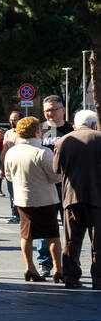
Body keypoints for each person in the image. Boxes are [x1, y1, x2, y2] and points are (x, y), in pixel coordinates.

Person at [3, 117, 64, 282]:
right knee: (52, 235)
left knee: (26, 235)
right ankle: (58, 269)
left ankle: (30, 267)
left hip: (22, 200)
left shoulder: (11, 152)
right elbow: (55, 178)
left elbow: (8, 175)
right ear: (36, 131)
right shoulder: (43, 152)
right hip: (45, 199)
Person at [53, 109, 101, 289]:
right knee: (98, 242)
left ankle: (71, 277)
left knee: (72, 241)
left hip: (71, 197)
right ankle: (98, 279)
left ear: (75, 125)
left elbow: (56, 169)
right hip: (97, 197)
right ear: (93, 124)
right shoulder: (99, 138)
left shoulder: (63, 141)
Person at [35, 95, 72, 275]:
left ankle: (69, 262)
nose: (50, 113)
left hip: (67, 186)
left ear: (63, 110)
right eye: (46, 110)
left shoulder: (71, 130)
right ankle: (45, 263)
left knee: (70, 227)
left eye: (53, 109)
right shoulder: (40, 130)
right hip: (45, 186)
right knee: (43, 227)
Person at [2, 110, 21, 220]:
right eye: (10, 120)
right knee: (11, 191)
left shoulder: (25, 132)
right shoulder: (8, 133)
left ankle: (22, 213)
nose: (12, 122)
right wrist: (1, 168)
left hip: (21, 166)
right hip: (9, 166)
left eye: (14, 120)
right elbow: (4, 150)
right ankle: (14, 213)